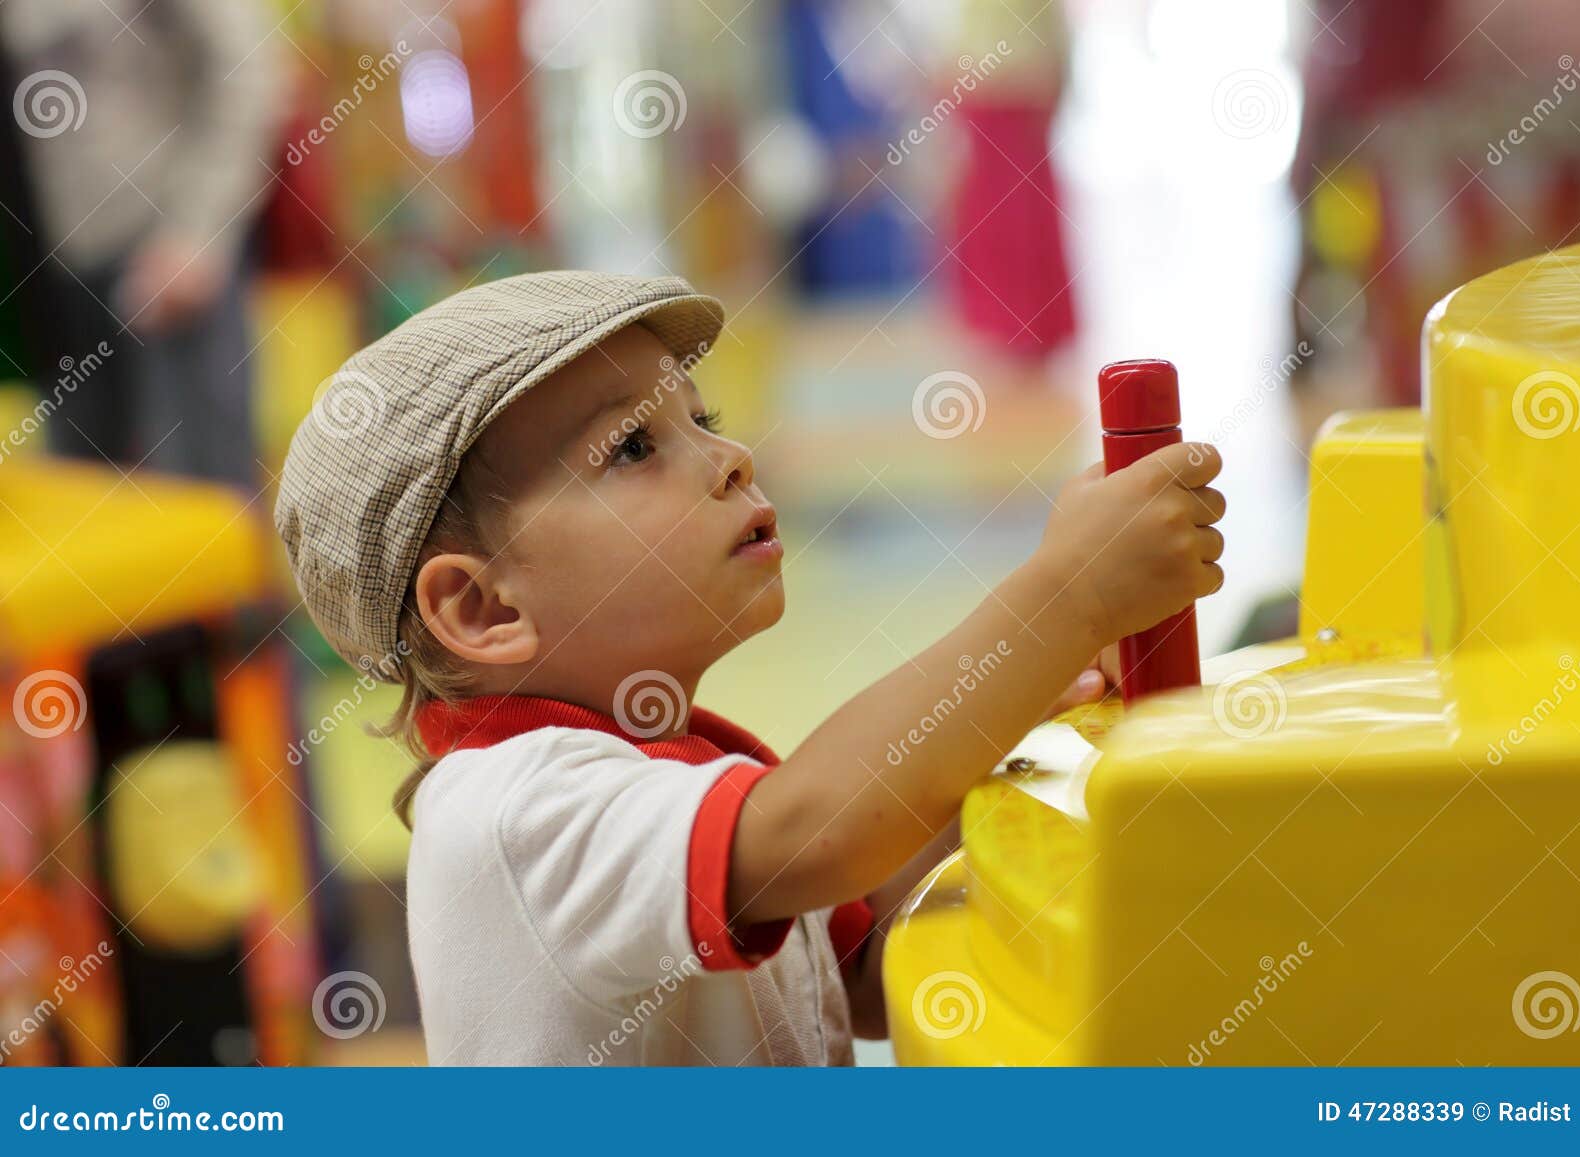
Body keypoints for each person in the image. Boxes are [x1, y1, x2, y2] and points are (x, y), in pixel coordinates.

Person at [273, 271, 1225, 1065]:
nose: (730, 457)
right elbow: (819, 833)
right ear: (484, 609)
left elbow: (858, 973)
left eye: (704, 418)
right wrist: (1065, 598)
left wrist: (1022, 698)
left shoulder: (674, 767)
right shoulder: (515, 812)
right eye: (633, 446)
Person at [1, 0, 284, 487]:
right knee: (81, 504)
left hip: (165, 264)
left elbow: (247, 64)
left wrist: (197, 234)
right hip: (56, 279)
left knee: (199, 503)